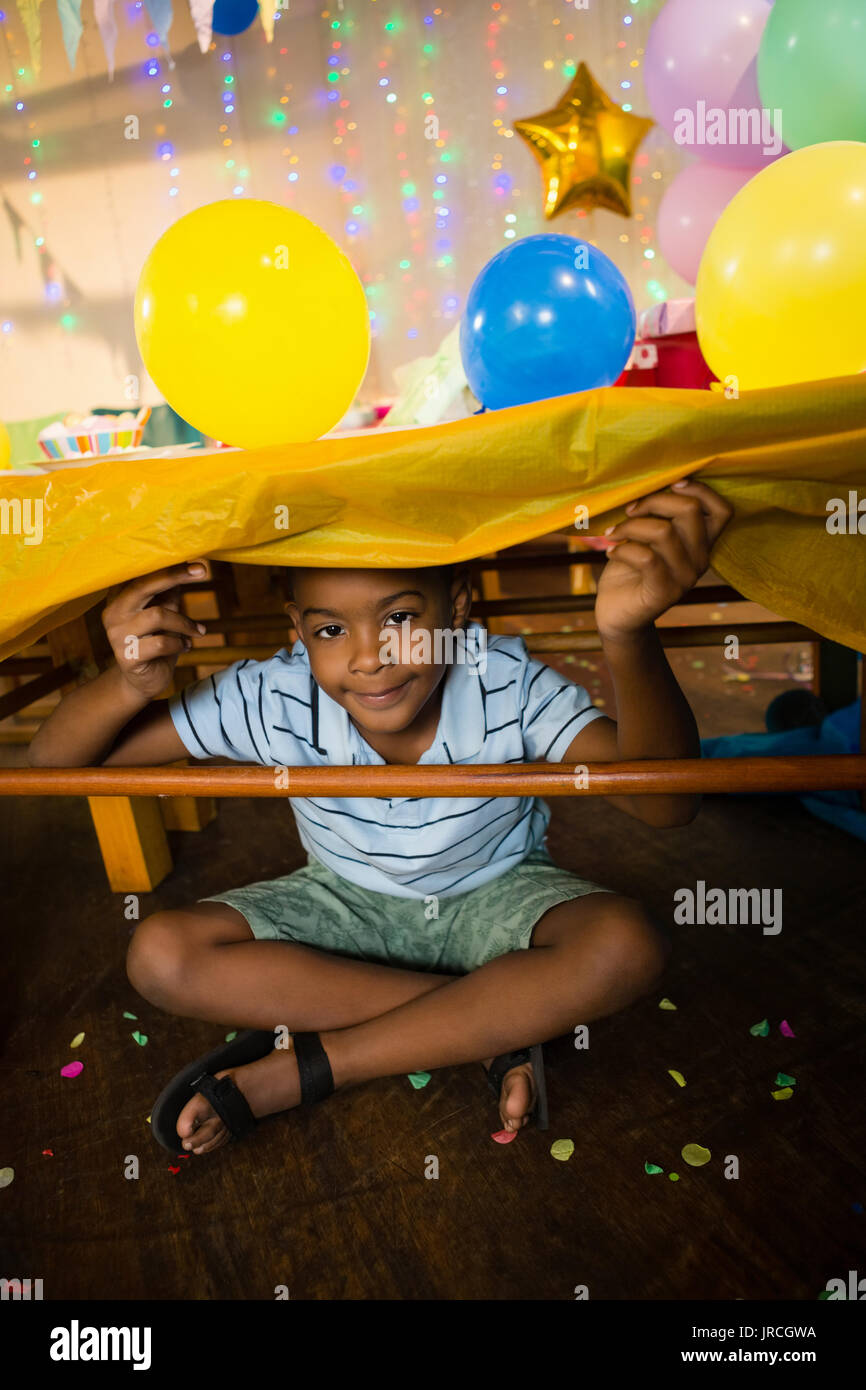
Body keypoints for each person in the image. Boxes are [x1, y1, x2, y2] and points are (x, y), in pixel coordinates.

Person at [27, 478, 732, 1156]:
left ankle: (314, 1067)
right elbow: (50, 768)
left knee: (625, 945)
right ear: (298, 632)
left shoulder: (505, 681)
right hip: (340, 901)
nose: (371, 657)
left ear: (456, 608)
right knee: (161, 957)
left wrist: (628, 636)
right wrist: (126, 684)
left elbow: (667, 804)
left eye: (400, 617)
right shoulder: (270, 693)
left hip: (495, 897)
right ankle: (489, 1026)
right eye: (332, 628)